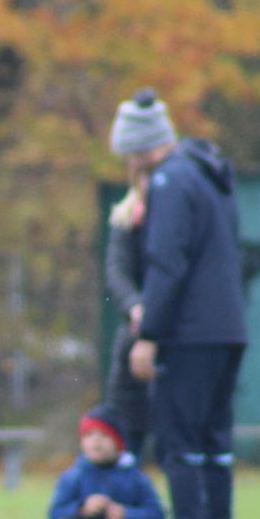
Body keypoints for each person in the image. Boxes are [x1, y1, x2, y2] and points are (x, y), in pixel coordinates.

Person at [119, 91, 248, 519]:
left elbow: (166, 263)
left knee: (180, 442)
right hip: (229, 326)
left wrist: (149, 334)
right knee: (216, 443)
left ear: (140, 148)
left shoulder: (171, 181)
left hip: (188, 333)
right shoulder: (210, 175)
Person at [27, 405, 167, 519]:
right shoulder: (73, 477)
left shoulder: (137, 478)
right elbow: (54, 516)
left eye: (104, 436)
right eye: (89, 435)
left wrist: (127, 516)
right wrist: (82, 509)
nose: (96, 442)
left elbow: (158, 515)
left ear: (119, 442)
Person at [103, 132, 164, 461]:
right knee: (127, 436)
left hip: (175, 338)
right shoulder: (125, 220)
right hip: (135, 334)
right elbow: (116, 271)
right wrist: (136, 309)